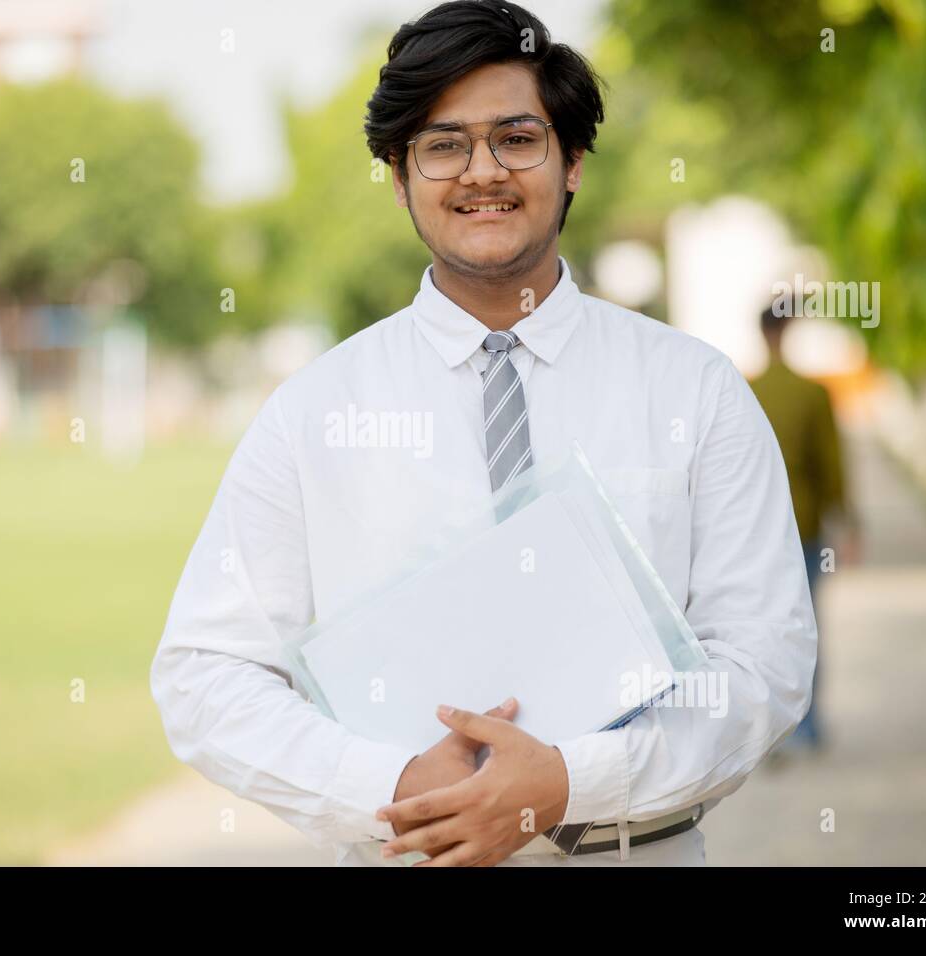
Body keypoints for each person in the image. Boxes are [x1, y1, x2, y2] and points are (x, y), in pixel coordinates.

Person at [150, 0, 815, 867]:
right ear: (399, 175)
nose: (481, 171)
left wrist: (574, 782)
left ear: (572, 161)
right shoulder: (312, 414)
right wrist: (387, 786)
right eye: (443, 145)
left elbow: (767, 658)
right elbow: (206, 676)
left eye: (517, 138)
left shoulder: (694, 390)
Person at [749, 304, 861, 754]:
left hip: (759, 531)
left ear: (761, 334)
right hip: (807, 523)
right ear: (788, 332)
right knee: (807, 626)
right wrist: (849, 519)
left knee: (761, 630)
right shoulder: (812, 393)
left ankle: (769, 735)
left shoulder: (746, 388)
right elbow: (831, 465)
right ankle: (808, 728)